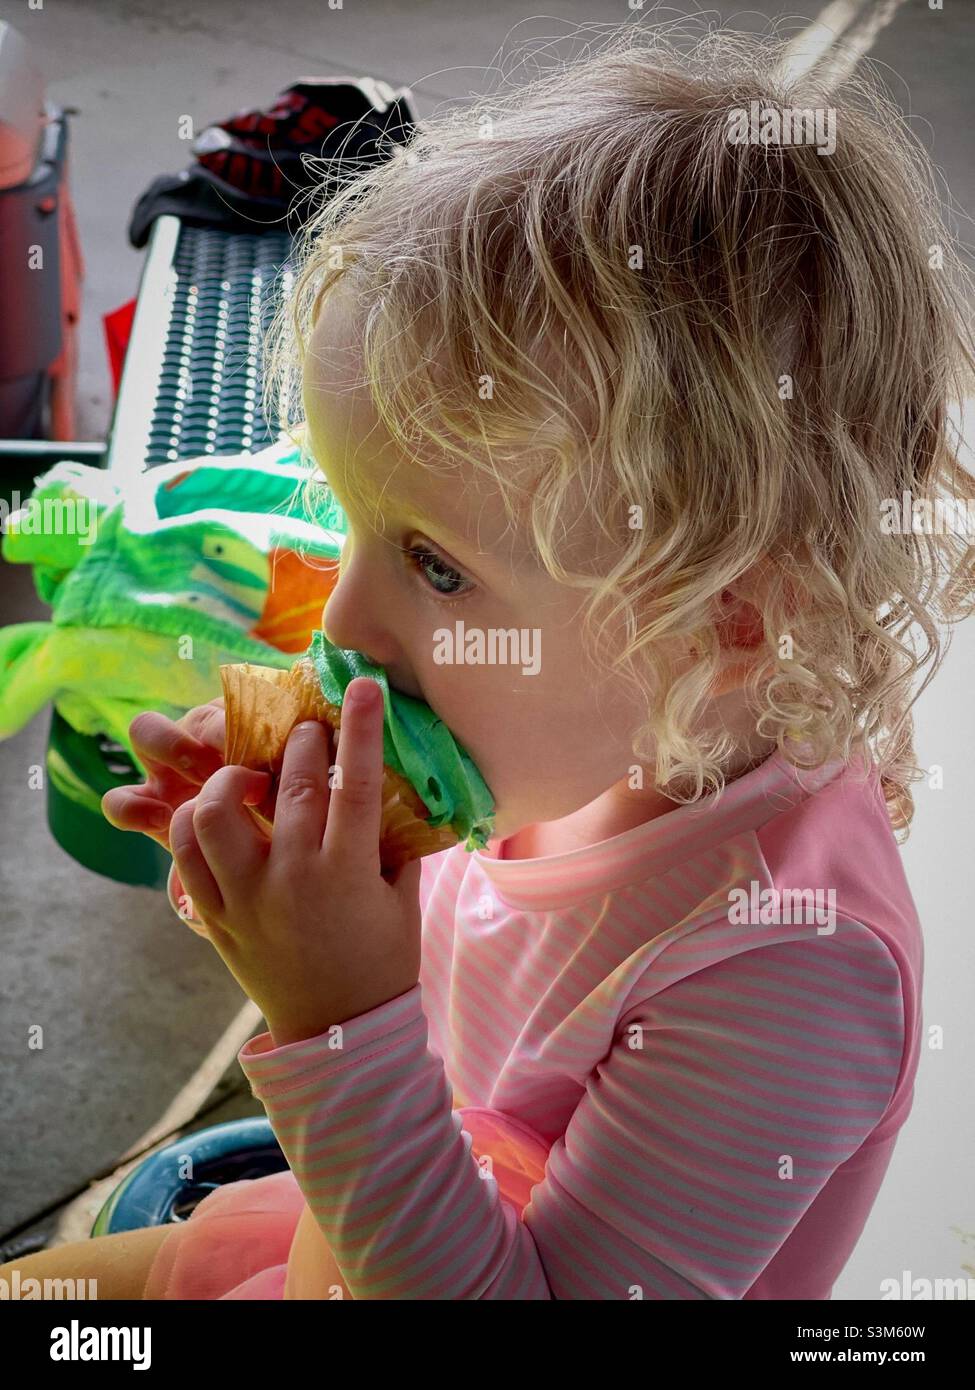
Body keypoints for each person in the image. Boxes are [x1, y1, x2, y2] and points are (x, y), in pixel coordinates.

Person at [5, 22, 972, 1300]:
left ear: (728, 626)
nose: (339, 626)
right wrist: (279, 883)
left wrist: (335, 1015)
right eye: (353, 520)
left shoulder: (791, 968)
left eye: (437, 565)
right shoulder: (557, 735)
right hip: (359, 1220)